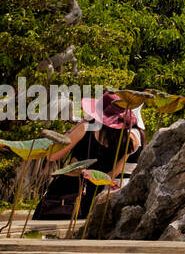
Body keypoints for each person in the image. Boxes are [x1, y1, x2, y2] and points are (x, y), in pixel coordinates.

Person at [34, 92, 143, 220]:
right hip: (93, 196)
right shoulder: (129, 140)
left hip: (66, 191)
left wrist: (74, 129)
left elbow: (52, 156)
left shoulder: (86, 128)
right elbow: (111, 175)